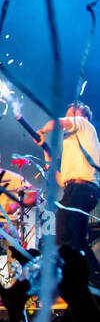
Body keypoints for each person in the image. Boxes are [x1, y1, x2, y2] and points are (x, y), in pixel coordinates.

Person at [37, 103, 100, 281]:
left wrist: (42, 131)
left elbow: (57, 123)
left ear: (83, 118)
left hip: (82, 189)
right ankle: (89, 279)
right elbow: (61, 179)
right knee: (69, 240)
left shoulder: (85, 127)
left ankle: (92, 277)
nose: (68, 118)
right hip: (75, 190)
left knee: (65, 238)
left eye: (72, 115)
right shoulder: (73, 146)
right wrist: (48, 158)